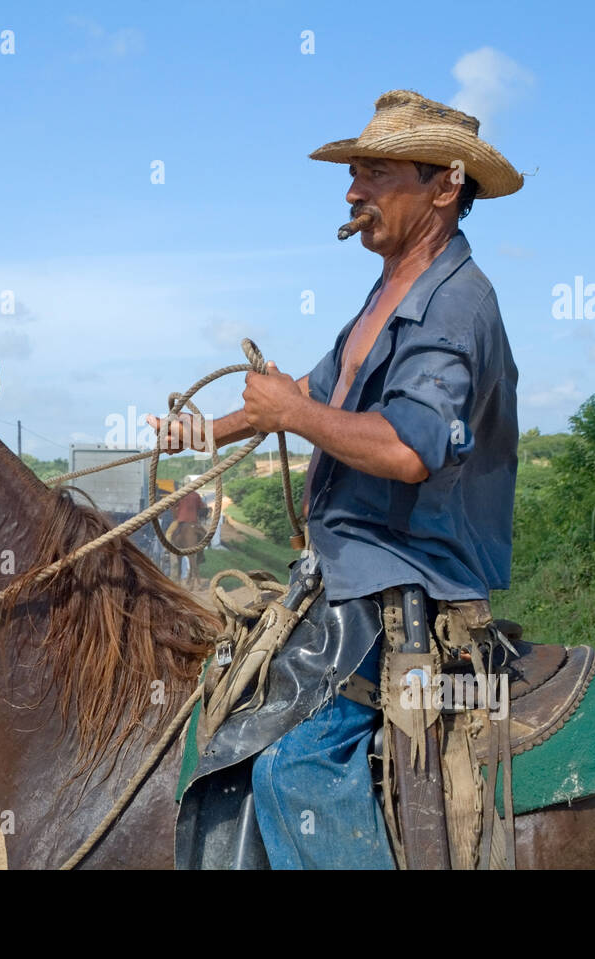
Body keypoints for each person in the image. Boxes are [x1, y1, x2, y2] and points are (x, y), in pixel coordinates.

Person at [149, 90, 522, 869]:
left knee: (296, 768)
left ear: (445, 187)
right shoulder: (386, 294)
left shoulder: (454, 305)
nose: (353, 193)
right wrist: (202, 432)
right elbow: (315, 398)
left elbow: (408, 451)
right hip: (342, 578)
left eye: (376, 173)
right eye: (353, 175)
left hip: (399, 583)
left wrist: (290, 410)